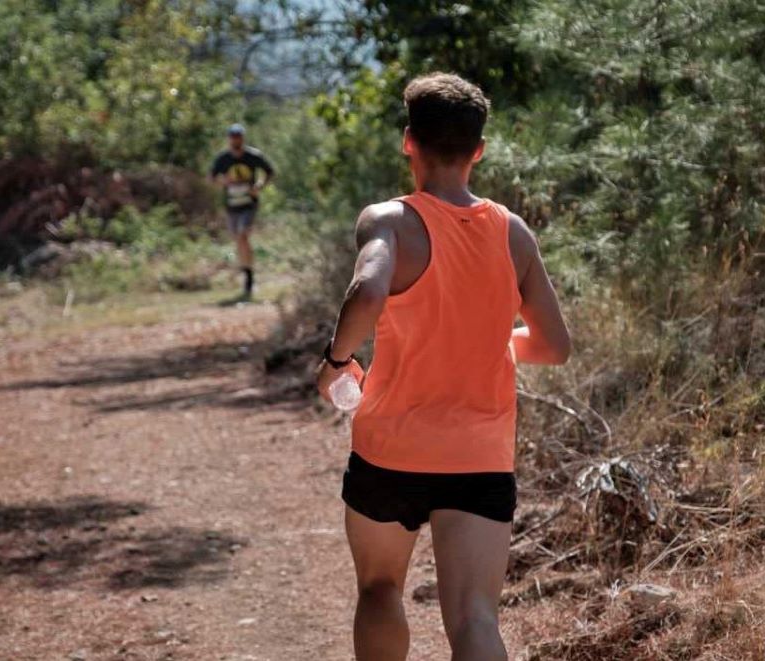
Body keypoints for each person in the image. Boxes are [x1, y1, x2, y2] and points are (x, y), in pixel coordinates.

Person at [316, 73, 571, 661]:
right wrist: (487, 344)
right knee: (474, 618)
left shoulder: (389, 220)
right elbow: (554, 345)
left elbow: (367, 290)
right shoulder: (513, 232)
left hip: (389, 450)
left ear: (409, 141)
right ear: (478, 150)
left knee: (380, 589)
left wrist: (336, 362)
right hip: (479, 454)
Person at [210, 124, 274, 301]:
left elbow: (270, 172)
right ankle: (246, 271)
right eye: (232, 136)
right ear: (229, 138)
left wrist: (259, 186)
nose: (235, 139)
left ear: (243, 138)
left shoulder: (253, 156)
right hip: (231, 205)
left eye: (238, 136)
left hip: (249, 203)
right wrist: (224, 182)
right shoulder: (223, 159)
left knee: (243, 235)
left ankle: (249, 278)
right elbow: (212, 176)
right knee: (238, 239)